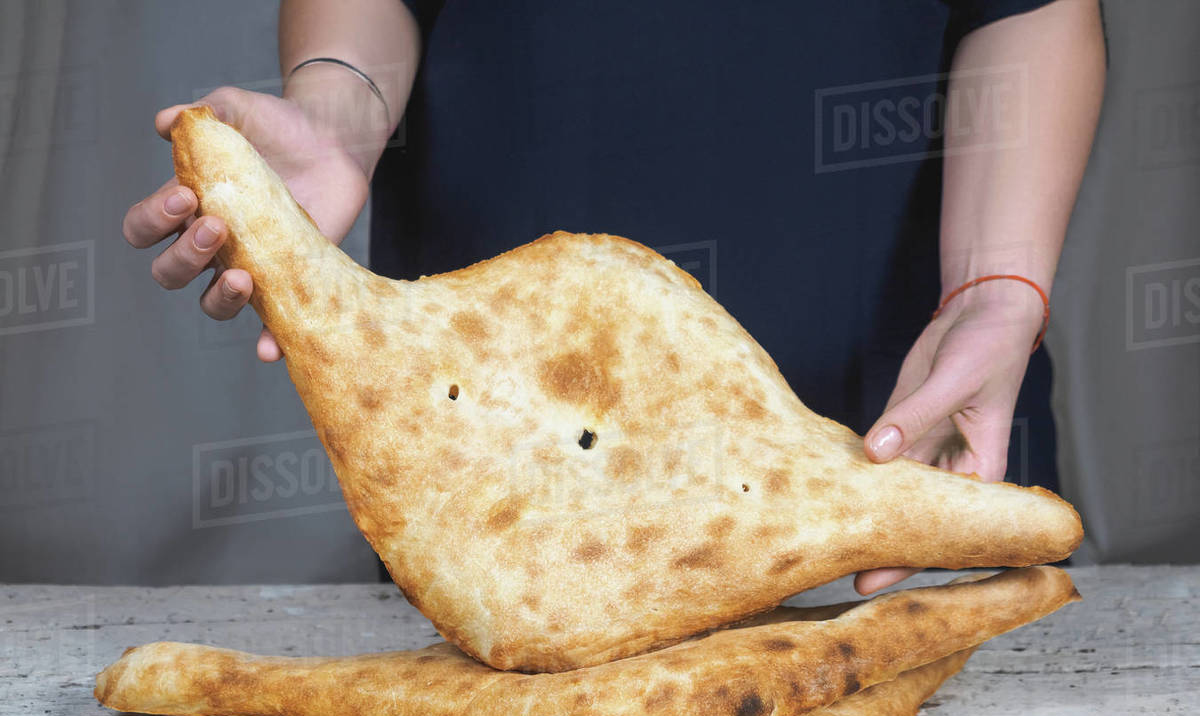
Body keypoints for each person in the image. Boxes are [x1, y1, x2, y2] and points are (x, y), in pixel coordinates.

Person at [122, 0, 1105, 594]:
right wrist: (338, 115)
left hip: (909, 446)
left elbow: (1030, 6)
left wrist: (996, 285)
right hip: (502, 494)